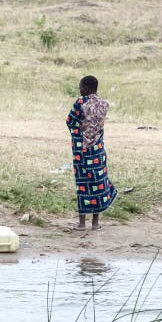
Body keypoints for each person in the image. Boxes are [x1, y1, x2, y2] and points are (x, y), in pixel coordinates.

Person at [66, 75, 116, 231]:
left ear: (86, 88)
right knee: (98, 183)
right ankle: (95, 223)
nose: (80, 90)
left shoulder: (81, 103)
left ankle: (82, 224)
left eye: (81, 87)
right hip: (98, 150)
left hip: (82, 151)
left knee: (83, 185)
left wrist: (79, 135)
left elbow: (70, 121)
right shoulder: (104, 103)